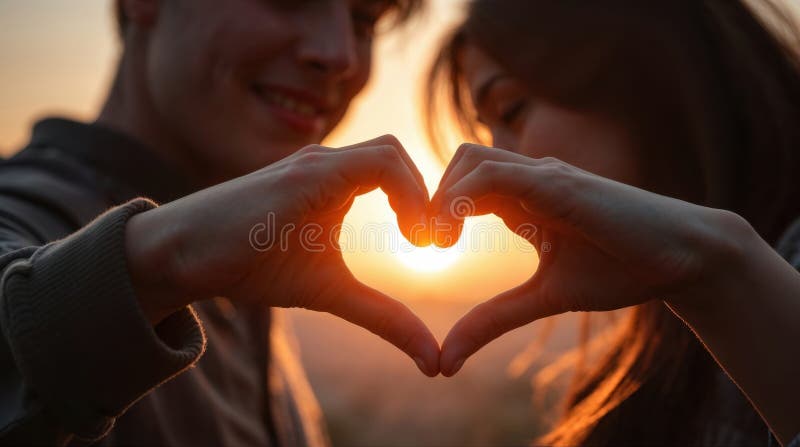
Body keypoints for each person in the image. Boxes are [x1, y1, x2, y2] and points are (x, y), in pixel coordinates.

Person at [0, 0, 441, 445]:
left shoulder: (261, 255)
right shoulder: (28, 212)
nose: (340, 55)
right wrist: (162, 266)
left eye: (364, 22)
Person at [425, 0, 800, 445]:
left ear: (637, 69)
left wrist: (725, 279)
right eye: (485, 131)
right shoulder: (660, 340)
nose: (499, 158)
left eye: (511, 110)